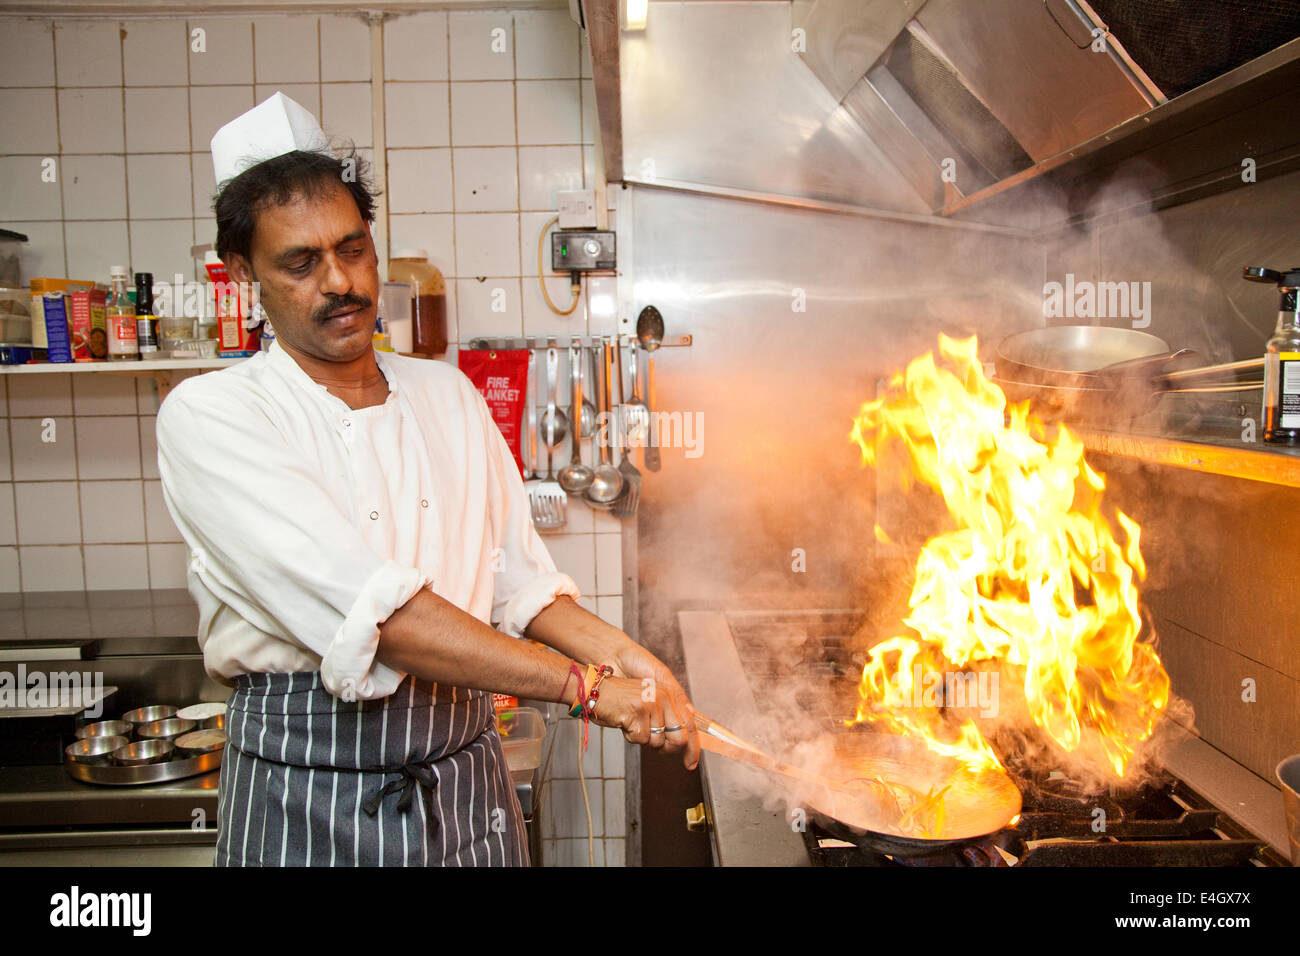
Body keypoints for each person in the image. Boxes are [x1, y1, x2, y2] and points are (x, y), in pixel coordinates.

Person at [156, 98, 698, 867]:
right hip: (306, 798)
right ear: (243, 273)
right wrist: (587, 688)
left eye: (353, 248)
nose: (340, 282)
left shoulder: (447, 396)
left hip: (463, 791)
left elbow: (522, 588)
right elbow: (391, 620)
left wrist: (631, 658)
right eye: (301, 263)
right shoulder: (212, 417)